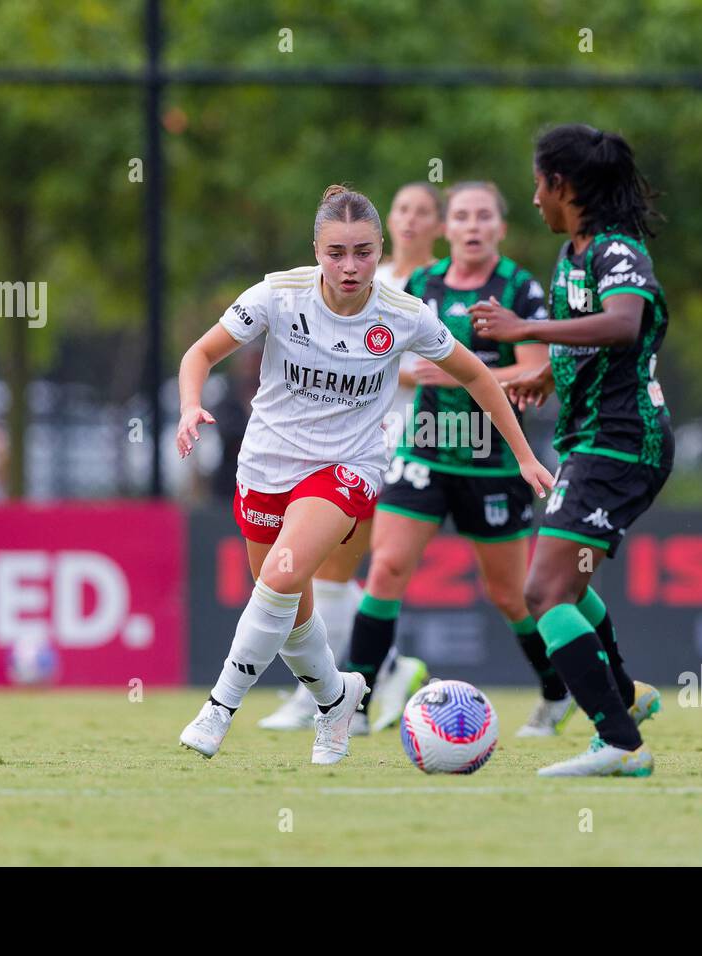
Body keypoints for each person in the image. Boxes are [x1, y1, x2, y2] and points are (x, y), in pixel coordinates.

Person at [176, 184, 553, 765]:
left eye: (363, 252)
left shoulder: (403, 314)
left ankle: (218, 709)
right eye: (336, 252)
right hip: (266, 464)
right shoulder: (278, 295)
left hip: (347, 468)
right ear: (316, 250)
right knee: (287, 604)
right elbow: (199, 354)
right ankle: (337, 698)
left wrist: (526, 456)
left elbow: (478, 376)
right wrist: (188, 405)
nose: (350, 266)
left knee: (280, 576)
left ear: (381, 250)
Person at [475, 124, 672, 777]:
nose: (534, 197)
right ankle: (626, 699)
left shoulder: (618, 253)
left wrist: (525, 328)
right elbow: (592, 343)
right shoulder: (574, 256)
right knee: (565, 584)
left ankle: (619, 742)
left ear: (564, 185)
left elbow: (624, 324)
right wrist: (546, 370)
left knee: (543, 592)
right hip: (592, 440)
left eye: (539, 182)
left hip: (622, 443)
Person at [341, 180, 571, 737]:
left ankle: (557, 690)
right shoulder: (419, 284)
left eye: (483, 216)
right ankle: (350, 705)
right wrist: (406, 372)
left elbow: (539, 373)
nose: (472, 226)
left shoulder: (517, 288)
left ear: (500, 228)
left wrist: (472, 375)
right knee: (387, 570)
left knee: (510, 595)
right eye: (462, 216)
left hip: (492, 459)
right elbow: (372, 358)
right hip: (422, 448)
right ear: (447, 230)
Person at [257, 181, 445, 732]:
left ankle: (338, 687)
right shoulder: (364, 277)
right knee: (324, 570)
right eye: (403, 208)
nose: (412, 219)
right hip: (342, 440)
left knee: (336, 569)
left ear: (439, 224)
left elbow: (446, 366)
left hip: (403, 443)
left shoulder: (433, 289)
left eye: (424, 211)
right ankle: (374, 673)